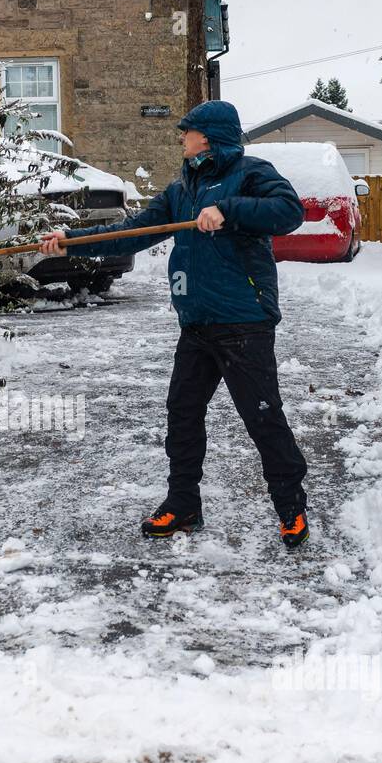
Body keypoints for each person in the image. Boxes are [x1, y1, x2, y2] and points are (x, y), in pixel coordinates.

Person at [38, 100, 311, 547]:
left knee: (262, 418)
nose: (180, 138)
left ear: (207, 136)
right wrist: (71, 243)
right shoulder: (182, 189)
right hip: (197, 322)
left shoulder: (252, 172)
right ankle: (183, 504)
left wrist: (229, 209)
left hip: (244, 321)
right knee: (182, 416)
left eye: (186, 132)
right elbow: (137, 230)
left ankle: (290, 506)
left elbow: (289, 212)